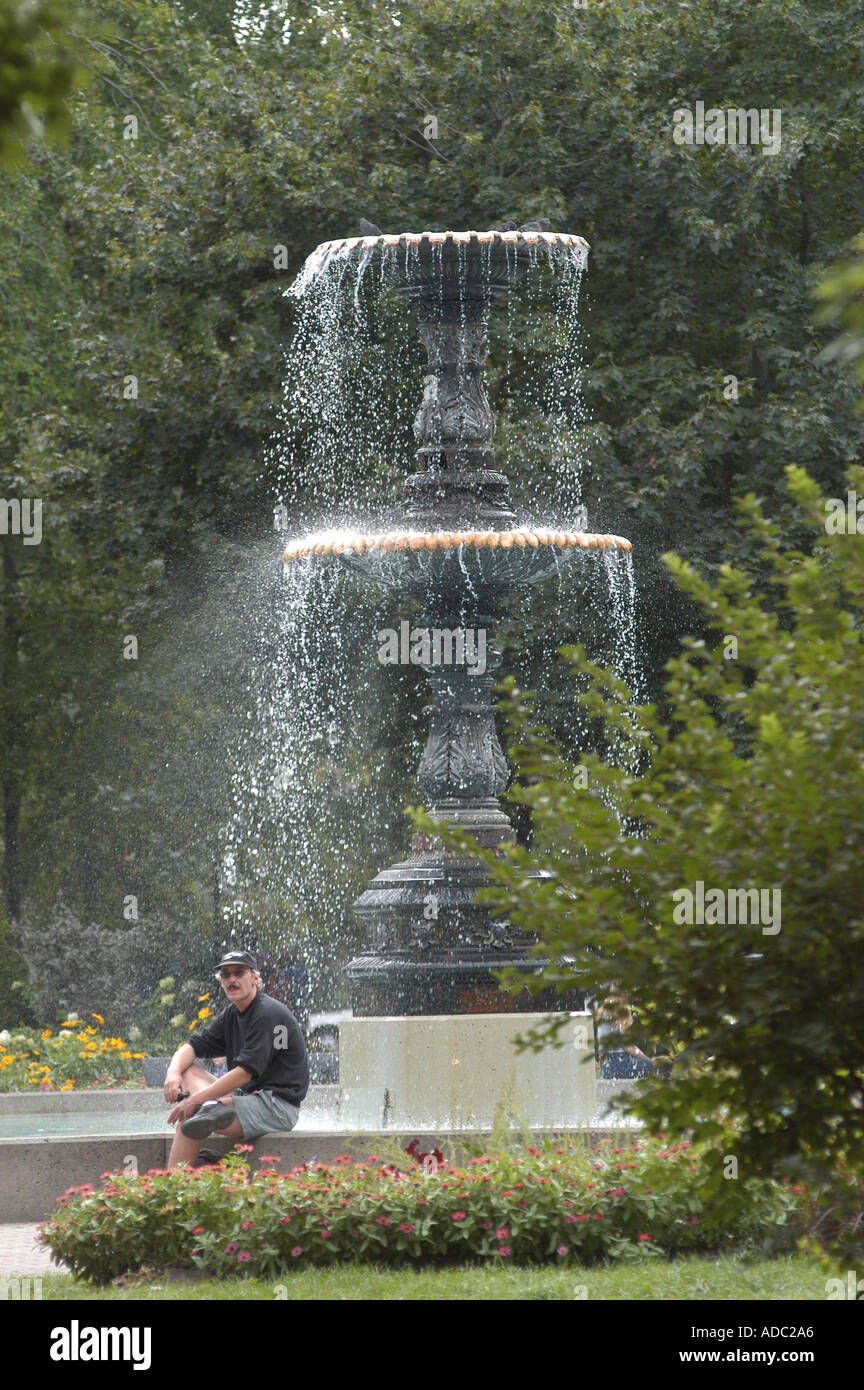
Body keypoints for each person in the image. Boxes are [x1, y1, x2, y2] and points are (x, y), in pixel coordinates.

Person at [164, 949, 309, 1169]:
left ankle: (172, 1192)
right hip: (247, 1097)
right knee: (186, 1070)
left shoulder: (268, 1013)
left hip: (277, 1107)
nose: (231, 979)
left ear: (255, 979)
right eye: (226, 974)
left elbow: (244, 1073)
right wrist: (173, 1072)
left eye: (239, 973)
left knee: (190, 1117)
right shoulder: (232, 1014)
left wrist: (195, 1100)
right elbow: (192, 1047)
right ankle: (208, 1156)